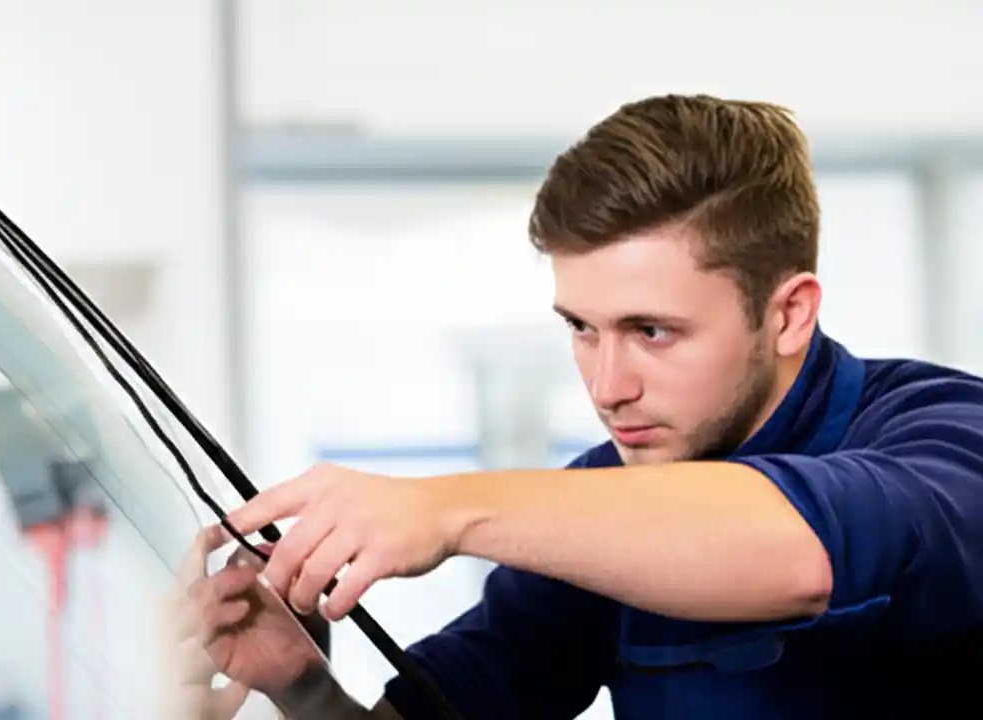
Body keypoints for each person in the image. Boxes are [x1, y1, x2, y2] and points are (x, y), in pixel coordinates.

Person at [175, 93, 983, 719]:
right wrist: (303, 688)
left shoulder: (947, 439)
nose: (607, 386)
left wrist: (446, 510)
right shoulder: (602, 502)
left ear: (788, 314)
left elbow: (806, 552)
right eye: (582, 330)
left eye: (652, 332)